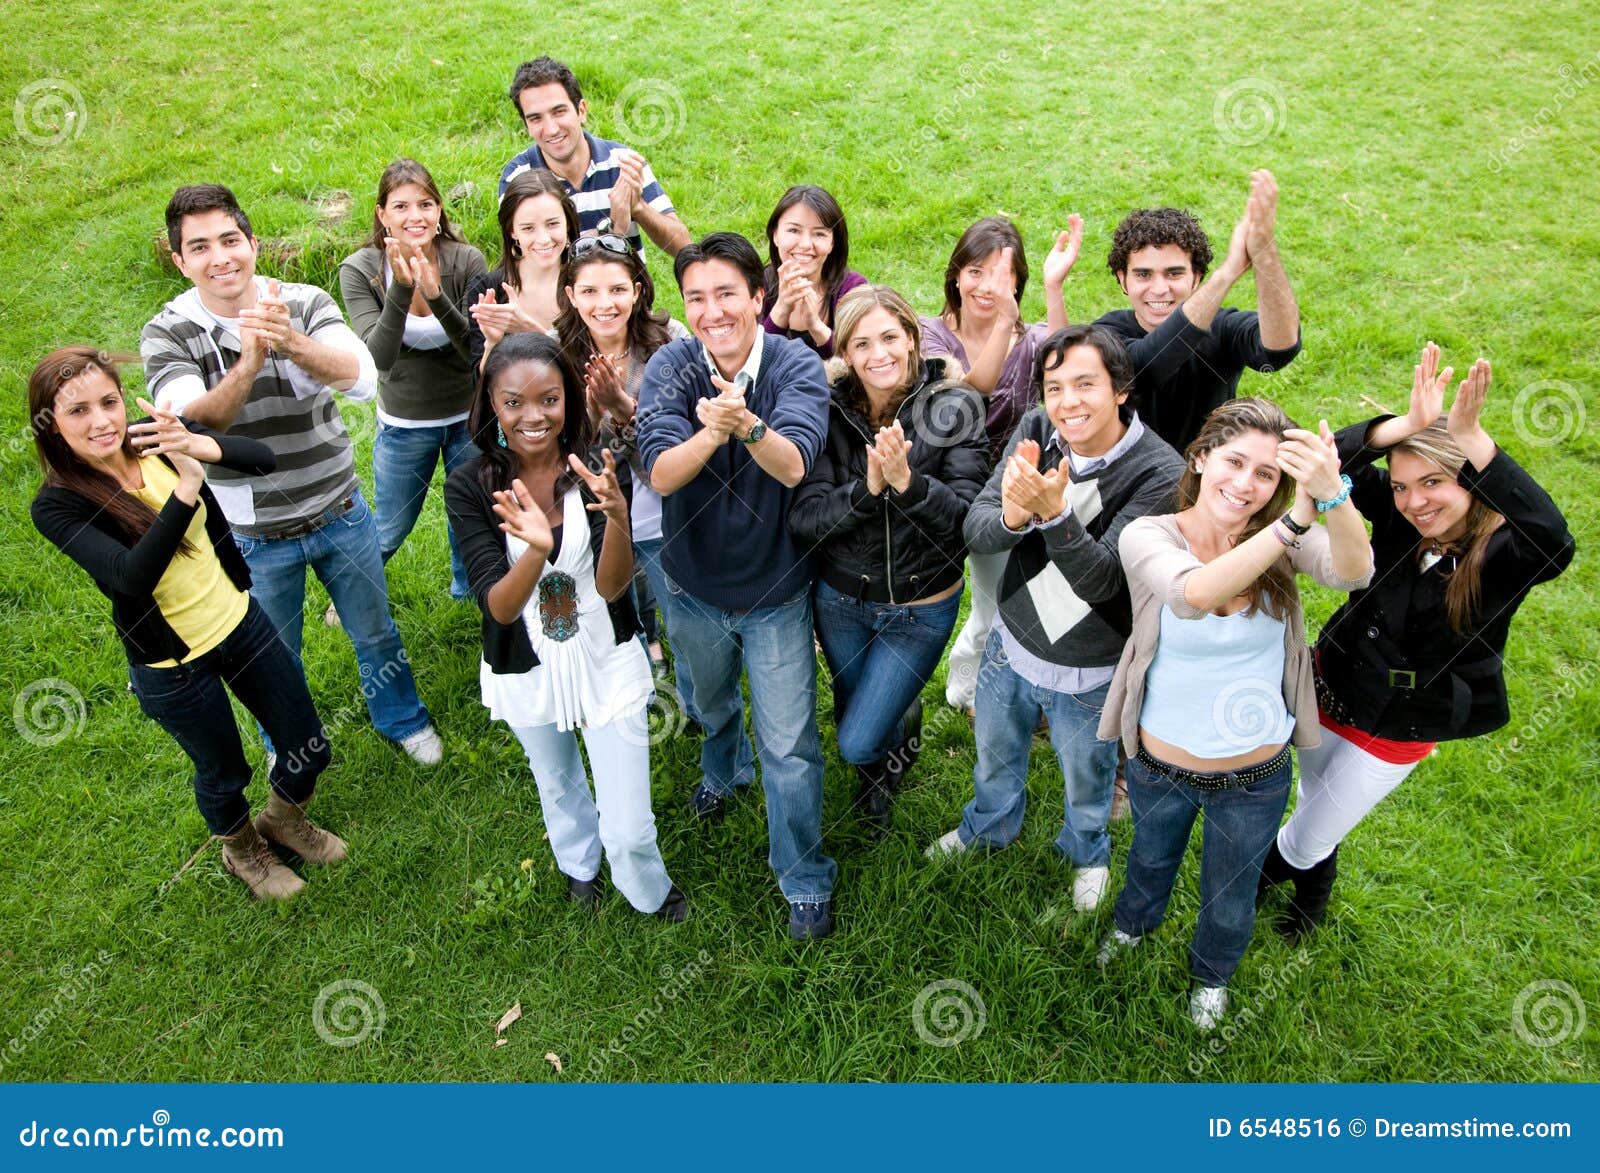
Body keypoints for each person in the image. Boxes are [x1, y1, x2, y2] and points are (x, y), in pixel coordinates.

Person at [1258, 345, 1575, 935]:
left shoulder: (1505, 553)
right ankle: (1314, 899)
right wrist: (1404, 426)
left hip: (1403, 722)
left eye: (1434, 483)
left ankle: (1239, 897)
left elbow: (1553, 540)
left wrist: (1473, 438)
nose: (1415, 502)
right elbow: (1329, 462)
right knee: (1316, 803)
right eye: (1402, 486)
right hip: (1331, 685)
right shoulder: (1400, 517)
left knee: (1304, 837)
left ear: (1475, 485)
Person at [1094, 398, 1373, 1031]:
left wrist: (1333, 494)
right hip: (1161, 763)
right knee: (1149, 862)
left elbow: (1357, 570)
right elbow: (1193, 595)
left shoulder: (1281, 540)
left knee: (1230, 895)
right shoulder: (1150, 535)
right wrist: (1291, 524)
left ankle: (1211, 976)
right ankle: (1133, 929)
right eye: (1234, 463)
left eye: (1267, 475)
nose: (1246, 486)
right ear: (1201, 458)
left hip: (1254, 774)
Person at [141, 184, 441, 765]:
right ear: (180, 261)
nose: (220, 257)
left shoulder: (302, 301)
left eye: (230, 240)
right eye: (199, 247)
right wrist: (252, 358)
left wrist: (290, 342)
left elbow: (362, 379)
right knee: (273, 656)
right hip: (251, 535)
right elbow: (196, 428)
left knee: (375, 633)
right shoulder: (168, 332)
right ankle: (287, 749)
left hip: (340, 510)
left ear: (253, 243)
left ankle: (402, 719)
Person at [29, 347, 341, 901]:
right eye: (78, 411)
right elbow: (131, 576)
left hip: (240, 622)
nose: (102, 421)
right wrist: (188, 485)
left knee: (308, 745)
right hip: (172, 666)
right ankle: (244, 851)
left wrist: (197, 444)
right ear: (51, 425)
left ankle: (284, 821)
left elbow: (262, 458)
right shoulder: (58, 504)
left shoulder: (157, 436)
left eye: (109, 401)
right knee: (223, 773)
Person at [927, 326, 1182, 917]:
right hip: (1010, 642)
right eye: (1053, 386)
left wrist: (1055, 514)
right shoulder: (1042, 429)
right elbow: (977, 528)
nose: (1067, 402)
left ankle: (1087, 851)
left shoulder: (1159, 473)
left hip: (1090, 666)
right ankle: (987, 826)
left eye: (1085, 384)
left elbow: (1103, 583)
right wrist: (1017, 516)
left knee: (1087, 776)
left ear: (1121, 390)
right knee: (994, 749)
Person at [635, 232, 835, 940]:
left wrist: (743, 422)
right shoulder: (669, 364)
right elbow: (659, 474)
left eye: (728, 293)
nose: (713, 311)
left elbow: (793, 466)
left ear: (759, 296)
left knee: (789, 745)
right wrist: (712, 432)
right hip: (689, 584)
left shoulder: (796, 365)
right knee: (708, 702)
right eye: (697, 297)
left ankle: (804, 875)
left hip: (775, 594)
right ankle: (724, 769)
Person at [445, 333, 685, 919]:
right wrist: (534, 551)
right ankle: (579, 864)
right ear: (492, 406)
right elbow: (498, 608)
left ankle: (645, 887)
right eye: (513, 402)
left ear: (570, 400)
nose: (534, 416)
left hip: (608, 652)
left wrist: (620, 515)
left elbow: (610, 587)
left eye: (549, 399)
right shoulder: (470, 484)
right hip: (525, 662)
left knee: (628, 823)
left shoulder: (596, 464)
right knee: (556, 779)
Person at [789, 287, 989, 835]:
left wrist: (905, 483)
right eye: (861, 343)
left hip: (920, 609)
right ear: (845, 354)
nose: (878, 353)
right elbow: (805, 521)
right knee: (859, 715)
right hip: (841, 601)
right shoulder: (827, 411)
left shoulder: (956, 406)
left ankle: (893, 731)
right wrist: (866, 491)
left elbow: (967, 525)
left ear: (911, 337)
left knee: (853, 739)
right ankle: (879, 774)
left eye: (889, 338)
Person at [1044, 171, 1301, 454]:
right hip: (1131, 479)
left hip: (1209, 480)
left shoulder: (1223, 327)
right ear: (1122, 279)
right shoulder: (1108, 333)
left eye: (1174, 273)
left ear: (1196, 278)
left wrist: (1264, 251)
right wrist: (1227, 273)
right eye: (1143, 275)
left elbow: (1279, 351)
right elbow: (1145, 368)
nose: (1159, 289)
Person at [339, 158, 489, 600]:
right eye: (401, 206)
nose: (415, 217)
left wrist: (437, 296)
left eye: (426, 204)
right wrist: (403, 288)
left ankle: (467, 589)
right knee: (390, 524)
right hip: (405, 424)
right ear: (382, 214)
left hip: (469, 415)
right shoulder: (360, 269)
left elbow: (475, 351)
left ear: (440, 210)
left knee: (470, 513)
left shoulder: (466, 261)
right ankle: (355, 588)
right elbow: (377, 359)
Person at [920, 216, 1053, 713]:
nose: (988, 286)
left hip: (1023, 487)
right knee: (994, 603)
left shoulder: (1033, 340)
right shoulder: (927, 335)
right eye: (976, 271)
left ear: (1019, 282)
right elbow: (967, 396)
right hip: (965, 493)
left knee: (1033, 602)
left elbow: (1071, 357)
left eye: (1003, 275)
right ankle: (968, 687)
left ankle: (1025, 690)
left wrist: (1056, 286)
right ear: (957, 275)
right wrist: (1001, 324)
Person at [553, 233, 692, 685]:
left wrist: (623, 408)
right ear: (571, 296)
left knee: (673, 595)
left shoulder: (672, 343)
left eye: (616, 289)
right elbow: (552, 447)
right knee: (609, 583)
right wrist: (591, 417)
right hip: (592, 495)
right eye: (589, 291)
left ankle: (687, 678)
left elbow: (683, 440)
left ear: (637, 288)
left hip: (663, 498)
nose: (604, 303)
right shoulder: (556, 353)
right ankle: (637, 644)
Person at [499, 56, 689, 256]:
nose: (551, 129)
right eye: (535, 118)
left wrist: (639, 208)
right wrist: (613, 232)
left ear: (581, 111)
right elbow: (522, 261)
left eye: (559, 112)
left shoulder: (623, 162)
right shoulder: (517, 177)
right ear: (526, 125)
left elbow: (683, 247)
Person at [466, 169, 578, 374]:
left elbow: (588, 370)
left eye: (552, 224)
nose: (543, 238)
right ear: (512, 231)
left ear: (568, 223)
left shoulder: (587, 284)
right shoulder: (484, 289)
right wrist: (492, 343)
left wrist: (529, 329)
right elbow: (481, 383)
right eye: (528, 228)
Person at [760, 184, 867, 359]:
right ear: (775, 235)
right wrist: (781, 309)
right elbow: (749, 362)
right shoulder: (755, 285)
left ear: (833, 243)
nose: (805, 245)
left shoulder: (852, 288)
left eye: (819, 234)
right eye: (794, 230)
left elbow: (861, 359)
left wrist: (816, 326)